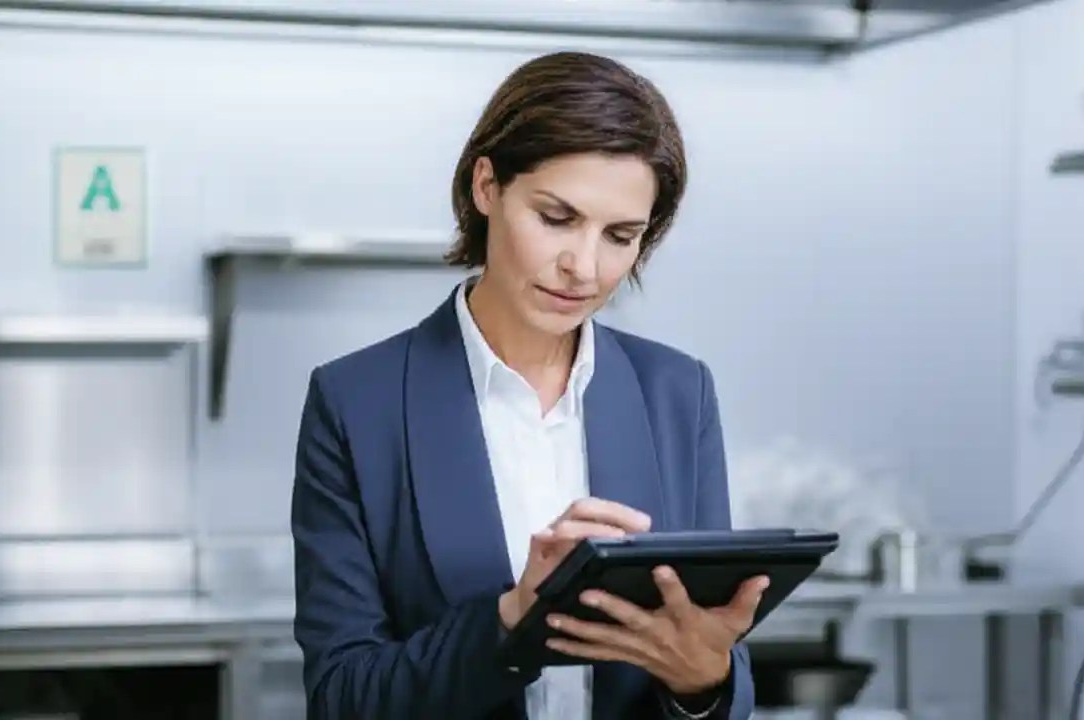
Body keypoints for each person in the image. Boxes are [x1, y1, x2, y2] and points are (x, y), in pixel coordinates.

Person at [290, 50, 768, 720]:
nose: (583, 266)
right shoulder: (357, 404)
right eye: (555, 218)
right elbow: (343, 699)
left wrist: (705, 682)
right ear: (487, 186)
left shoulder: (677, 393)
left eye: (620, 236)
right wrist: (513, 618)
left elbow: (720, 679)